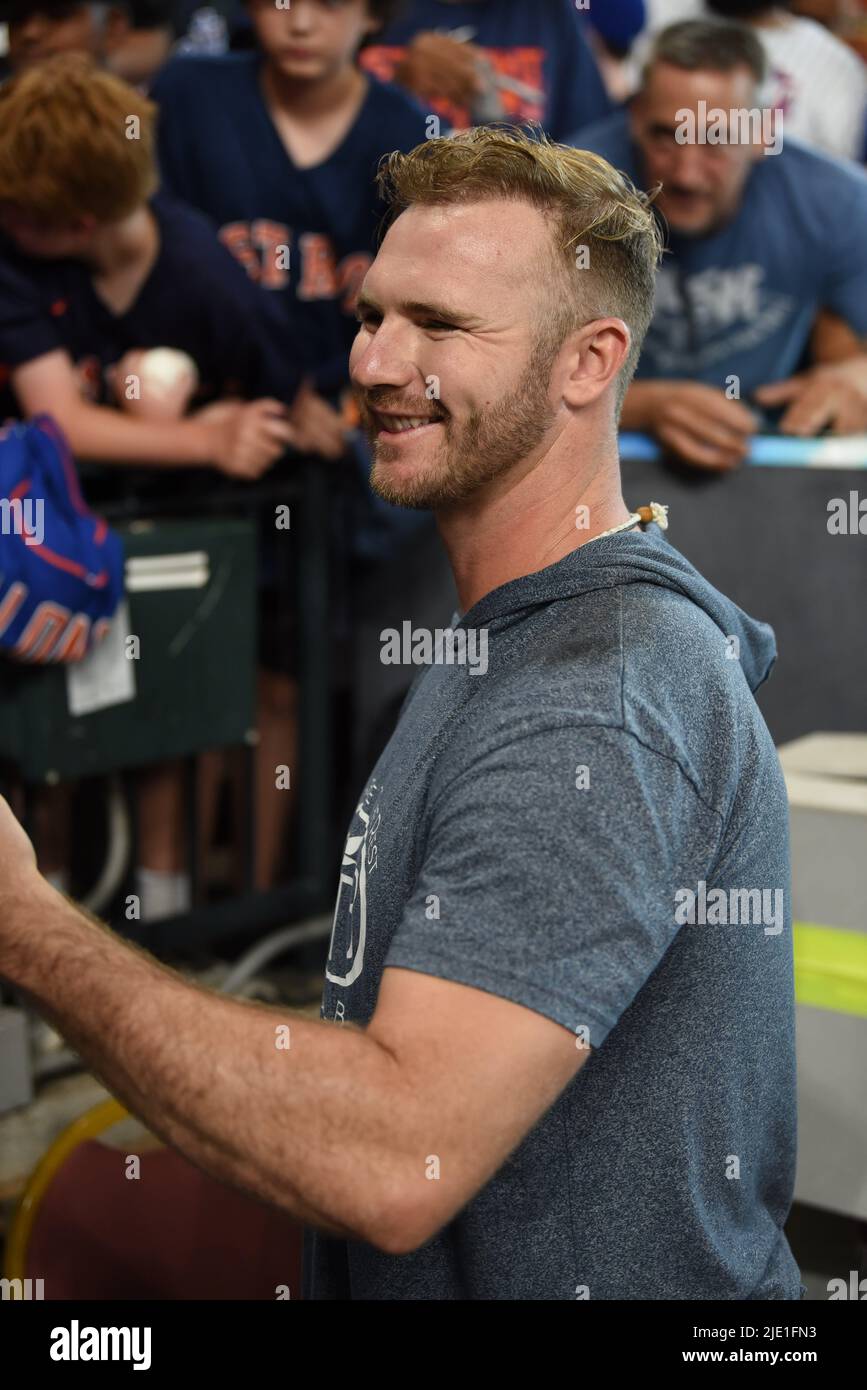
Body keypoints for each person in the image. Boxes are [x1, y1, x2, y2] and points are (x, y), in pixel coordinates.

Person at [0, 125, 803, 1301]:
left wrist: (27, 923)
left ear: (590, 361)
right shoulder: (510, 628)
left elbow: (394, 1156)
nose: (375, 363)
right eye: (374, 315)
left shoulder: (605, 692)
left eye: (441, 326)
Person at [572, 19, 867, 469]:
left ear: (764, 133)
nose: (688, 174)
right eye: (665, 136)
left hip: (764, 461)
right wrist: (641, 408)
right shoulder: (567, 199)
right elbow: (506, 379)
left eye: (717, 139)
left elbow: (852, 364)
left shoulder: (835, 204)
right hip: (595, 463)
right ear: (633, 118)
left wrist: (855, 381)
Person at [356, 0, 612, 137]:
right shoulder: (369, 10)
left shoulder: (550, 11)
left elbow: (592, 153)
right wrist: (395, 90)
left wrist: (496, 122)